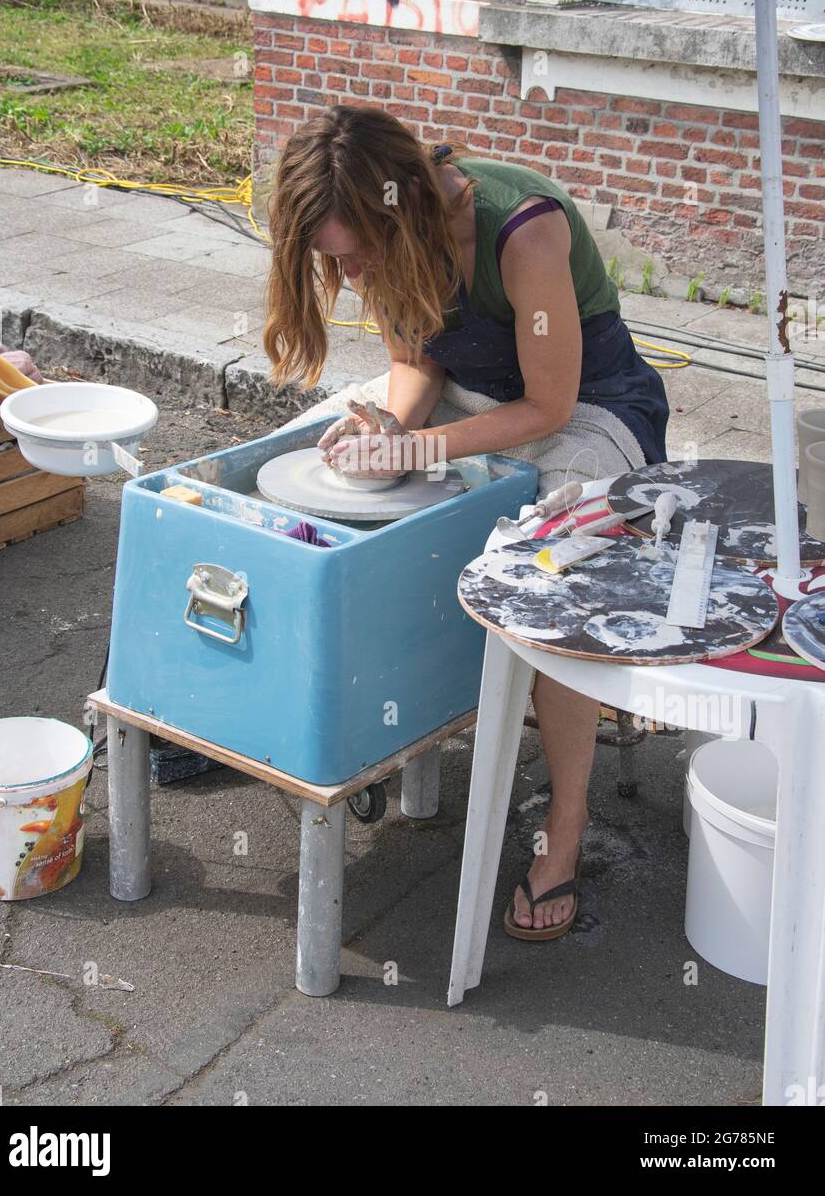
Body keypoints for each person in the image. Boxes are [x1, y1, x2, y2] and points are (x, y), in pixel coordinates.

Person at [264, 104, 669, 941]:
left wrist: (418, 452)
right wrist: (392, 429)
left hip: (591, 410)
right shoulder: (384, 233)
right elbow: (416, 363)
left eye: (360, 253)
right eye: (336, 259)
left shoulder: (524, 232)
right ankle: (368, 708)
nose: (357, 272)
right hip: (476, 403)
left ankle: (565, 824)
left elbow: (548, 404)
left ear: (403, 207)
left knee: (552, 577)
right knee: (299, 451)